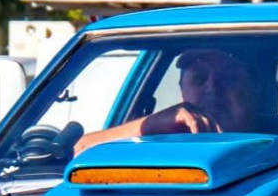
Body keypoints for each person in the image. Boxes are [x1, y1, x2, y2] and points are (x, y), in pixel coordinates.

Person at [74, 48, 257, 152]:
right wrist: (151, 125)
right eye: (199, 78)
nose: (212, 88)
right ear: (181, 90)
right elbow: (79, 150)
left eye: (228, 78)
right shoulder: (159, 143)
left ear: (255, 90)